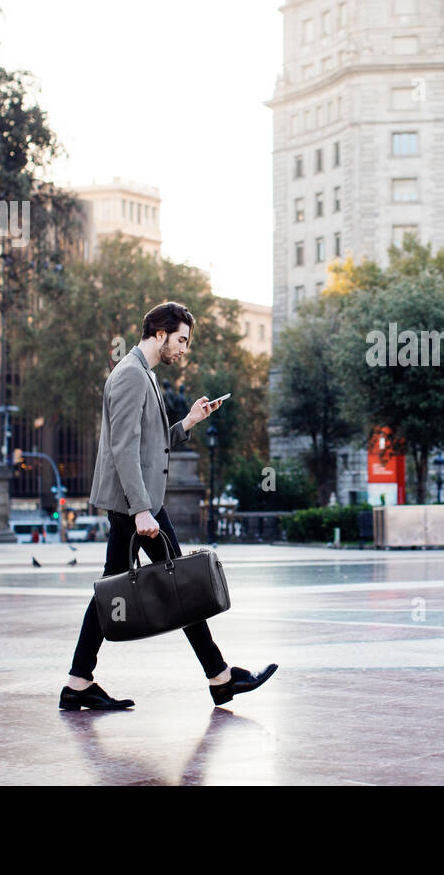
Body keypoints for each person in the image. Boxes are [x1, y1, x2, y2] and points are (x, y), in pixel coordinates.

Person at [61, 301, 277, 711]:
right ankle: (219, 677)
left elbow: (149, 445)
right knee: (178, 587)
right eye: (181, 339)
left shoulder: (144, 375)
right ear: (159, 334)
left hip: (138, 501)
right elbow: (123, 448)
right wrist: (141, 509)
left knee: (117, 588)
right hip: (136, 504)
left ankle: (78, 681)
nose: (184, 348)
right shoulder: (130, 376)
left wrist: (189, 422)